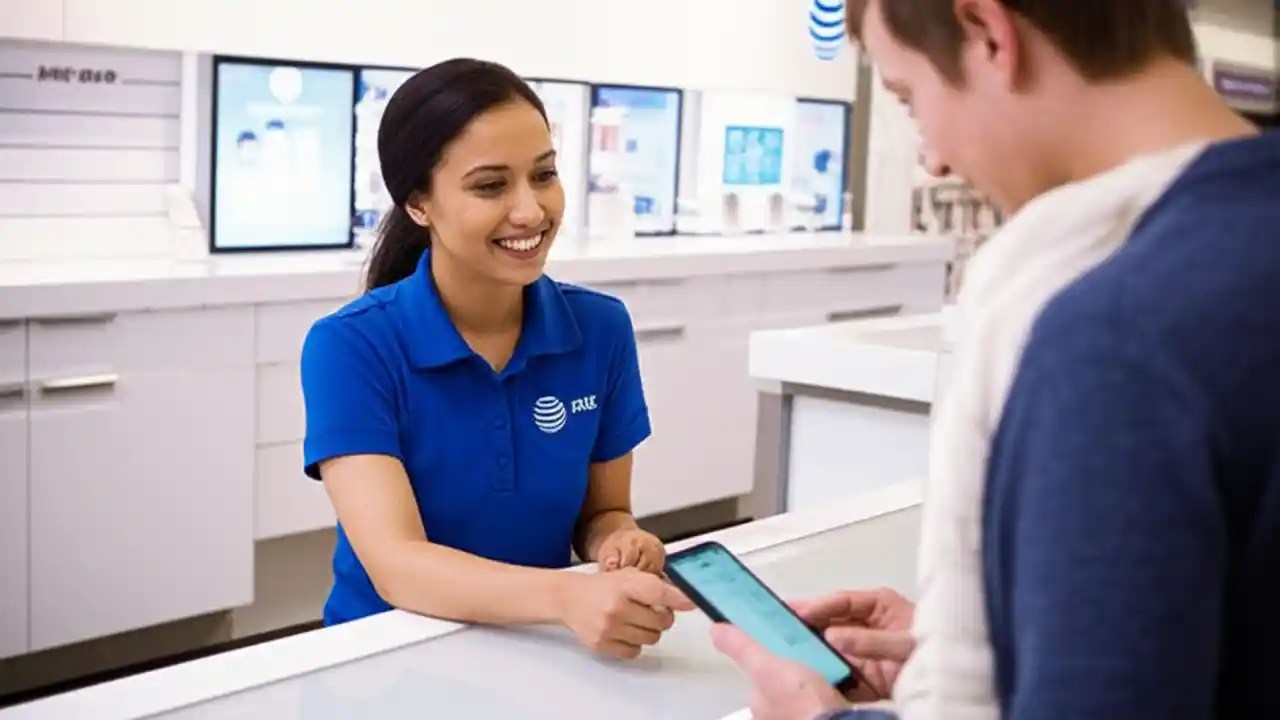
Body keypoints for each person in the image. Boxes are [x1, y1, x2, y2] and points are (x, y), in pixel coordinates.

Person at [712, 0, 1280, 718]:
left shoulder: (1115, 336)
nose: (935, 158)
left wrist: (823, 718)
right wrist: (1018, 638)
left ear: (987, 33)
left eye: (911, 99)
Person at [299, 58, 692, 660]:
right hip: (385, 655)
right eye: (490, 186)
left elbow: (604, 509)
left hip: (538, 644)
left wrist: (618, 542)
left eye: (544, 174)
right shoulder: (350, 346)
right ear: (419, 203)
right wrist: (567, 596)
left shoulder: (600, 328)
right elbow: (398, 566)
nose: (531, 210)